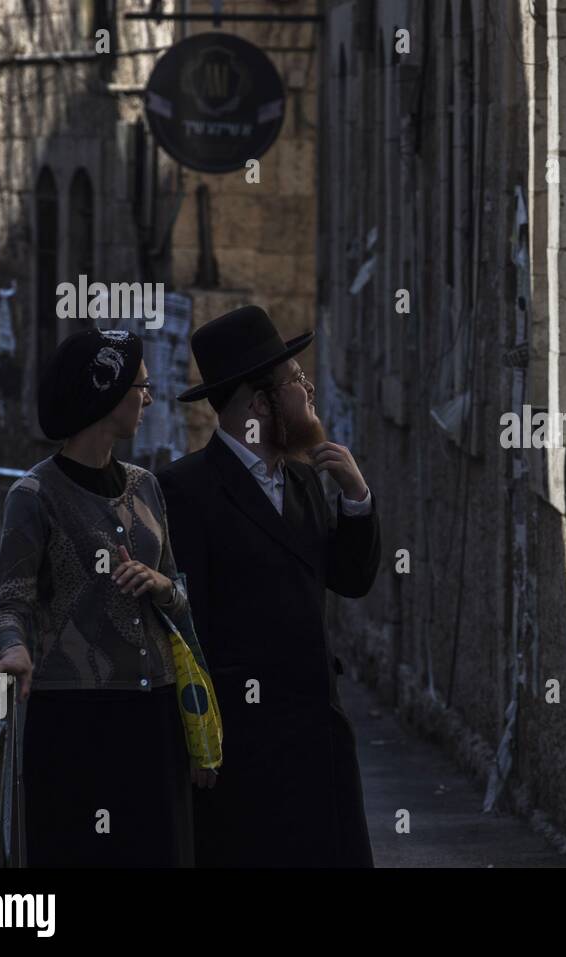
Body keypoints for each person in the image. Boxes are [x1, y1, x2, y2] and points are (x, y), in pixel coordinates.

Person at [0, 328, 216, 867]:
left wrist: (163, 587)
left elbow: (181, 594)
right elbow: (10, 600)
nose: (148, 398)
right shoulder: (34, 496)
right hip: (76, 725)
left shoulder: (147, 486)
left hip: (154, 720)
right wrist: (13, 649)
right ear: (106, 394)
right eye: (140, 387)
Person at [157, 305, 380, 867]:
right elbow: (187, 629)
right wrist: (198, 746)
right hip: (246, 750)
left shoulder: (304, 480)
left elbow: (350, 579)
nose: (307, 391)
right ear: (258, 404)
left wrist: (356, 498)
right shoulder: (185, 491)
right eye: (295, 382)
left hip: (318, 739)